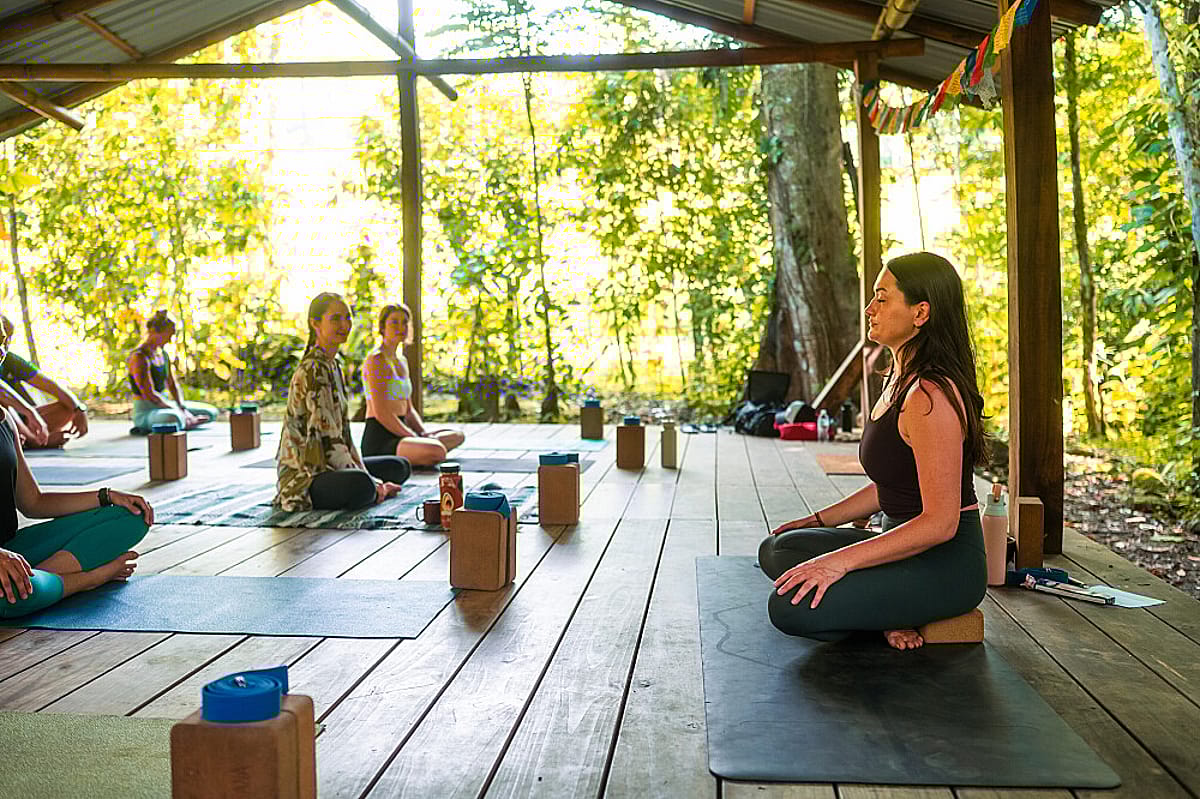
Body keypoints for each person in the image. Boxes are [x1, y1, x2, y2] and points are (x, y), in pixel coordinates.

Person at [758, 252, 987, 651]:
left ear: (920, 313)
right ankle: (883, 612)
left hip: (943, 565)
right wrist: (816, 520)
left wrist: (838, 562)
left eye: (882, 298)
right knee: (780, 549)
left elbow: (940, 524)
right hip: (898, 542)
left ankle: (888, 611)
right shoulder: (898, 378)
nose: (870, 308)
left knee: (788, 608)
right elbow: (892, 488)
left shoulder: (929, 397)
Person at [0, 312, 152, 619]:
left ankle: (26, 586)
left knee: (131, 515)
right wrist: (95, 576)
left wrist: (107, 495)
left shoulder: (7, 420)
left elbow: (33, 503)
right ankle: (84, 580)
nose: (0, 351)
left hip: (14, 550)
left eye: (1, 341)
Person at [275, 293, 412, 511]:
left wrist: (364, 470)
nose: (344, 325)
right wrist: (373, 483)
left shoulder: (333, 365)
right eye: (336, 319)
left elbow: (344, 435)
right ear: (315, 323)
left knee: (400, 466)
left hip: (333, 466)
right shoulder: (313, 370)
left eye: (347, 318)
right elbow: (329, 441)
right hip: (307, 477)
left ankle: (372, 484)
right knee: (362, 485)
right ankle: (376, 489)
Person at [361, 303, 465, 467]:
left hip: (403, 432)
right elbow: (382, 413)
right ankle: (418, 451)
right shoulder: (376, 360)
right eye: (394, 322)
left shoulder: (401, 361)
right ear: (382, 326)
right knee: (437, 451)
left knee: (457, 436)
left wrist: (422, 433)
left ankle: (418, 450)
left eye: (404, 322)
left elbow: (408, 410)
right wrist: (412, 436)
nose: (400, 327)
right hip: (382, 438)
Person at [0, 317, 90, 448]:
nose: (5, 346)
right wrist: (37, 439)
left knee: (68, 407)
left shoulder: (10, 359)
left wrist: (79, 408)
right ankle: (32, 440)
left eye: (6, 339)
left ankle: (30, 435)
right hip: (9, 416)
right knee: (4, 404)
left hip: (22, 417)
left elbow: (51, 386)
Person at [126, 310, 219, 433]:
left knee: (211, 412)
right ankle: (183, 421)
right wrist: (179, 411)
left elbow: (172, 385)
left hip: (166, 405)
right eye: (167, 335)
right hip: (147, 411)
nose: (169, 340)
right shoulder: (139, 357)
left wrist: (182, 407)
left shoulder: (163, 354)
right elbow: (149, 394)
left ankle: (184, 421)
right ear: (154, 332)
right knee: (173, 418)